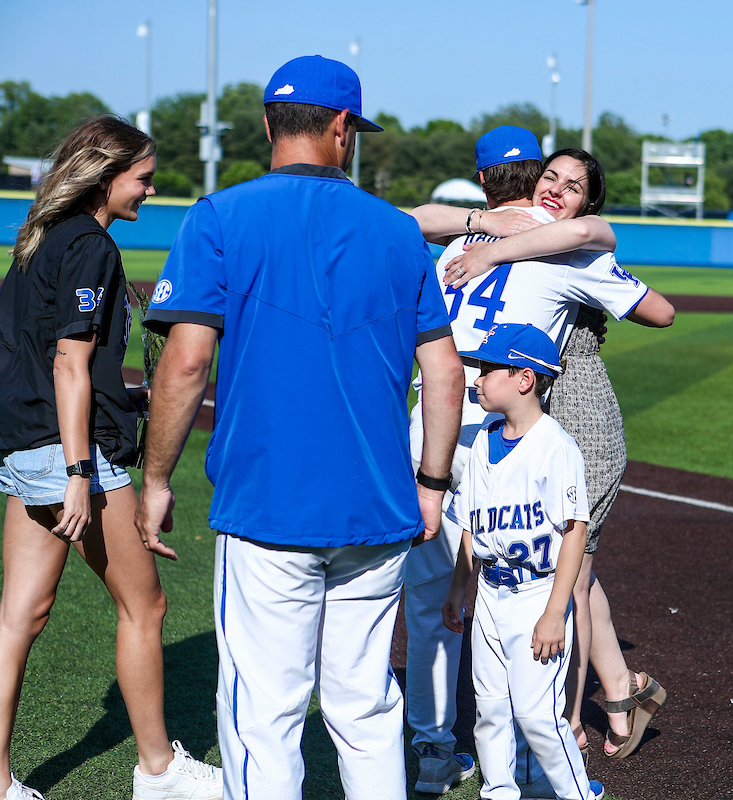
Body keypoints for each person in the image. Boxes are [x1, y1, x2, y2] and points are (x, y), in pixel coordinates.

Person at [133, 56, 464, 800]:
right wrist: (434, 483)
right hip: (379, 510)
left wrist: (155, 480)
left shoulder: (218, 216)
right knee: (368, 707)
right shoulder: (397, 231)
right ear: (342, 129)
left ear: (266, 125)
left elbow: (185, 366)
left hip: (266, 508)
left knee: (264, 715)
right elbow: (445, 373)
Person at [404, 127, 672, 795]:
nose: (555, 189)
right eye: (550, 177)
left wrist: (487, 230)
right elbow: (658, 309)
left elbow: (412, 220)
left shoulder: (462, 239)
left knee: (435, 596)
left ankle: (437, 749)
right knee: (529, 585)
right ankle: (545, 748)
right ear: (534, 179)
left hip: (427, 411)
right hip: (494, 427)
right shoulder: (571, 251)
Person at [0, 116, 221, 800]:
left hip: (23, 441)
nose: (150, 190)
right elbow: (70, 363)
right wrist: (77, 474)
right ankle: (157, 770)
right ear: (105, 175)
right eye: (144, 178)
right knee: (145, 607)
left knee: (20, 615)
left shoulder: (39, 239)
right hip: (72, 453)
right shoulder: (90, 245)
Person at [442, 322, 604, 800]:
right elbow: (471, 527)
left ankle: (577, 794)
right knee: (490, 709)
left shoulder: (556, 447)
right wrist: (458, 589)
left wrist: (556, 613)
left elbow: (576, 532)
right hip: (489, 593)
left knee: (537, 715)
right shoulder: (483, 442)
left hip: (537, 594)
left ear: (524, 379)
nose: (478, 378)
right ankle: (498, 792)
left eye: (490, 369)